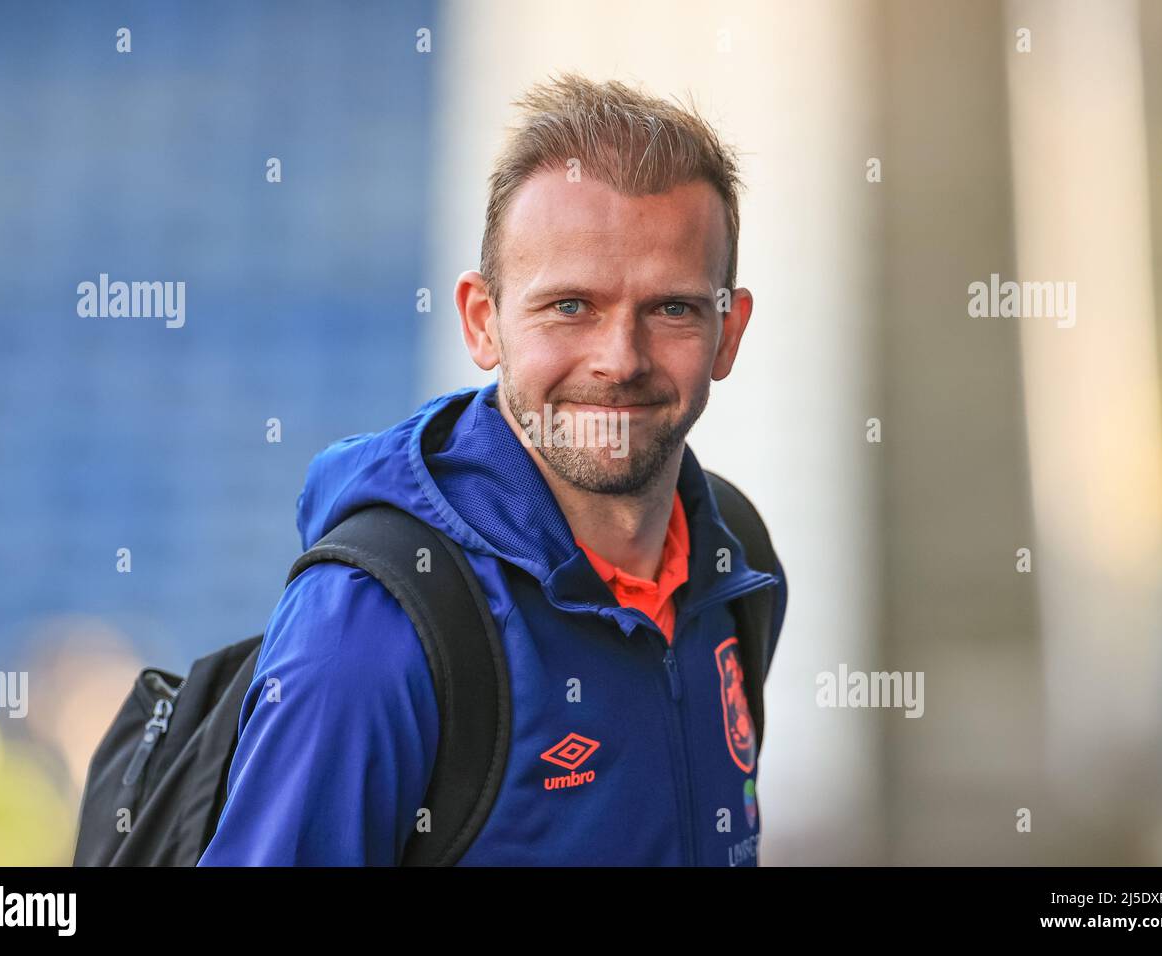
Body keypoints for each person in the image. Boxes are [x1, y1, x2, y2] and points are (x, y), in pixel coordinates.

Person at [197, 71, 786, 866]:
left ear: (729, 331)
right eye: (570, 306)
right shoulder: (370, 632)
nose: (620, 360)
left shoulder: (737, 561)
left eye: (672, 308)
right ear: (484, 321)